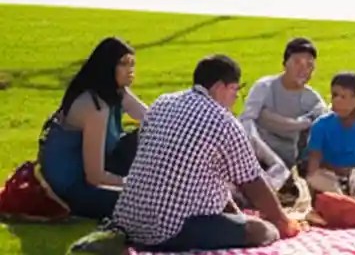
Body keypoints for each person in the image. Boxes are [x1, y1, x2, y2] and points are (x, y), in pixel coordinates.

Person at [111, 55, 301, 251]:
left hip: (128, 221)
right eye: (235, 89)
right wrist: (282, 221)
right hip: (168, 229)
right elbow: (252, 182)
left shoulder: (162, 103)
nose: (236, 97)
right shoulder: (222, 121)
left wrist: (236, 215)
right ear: (219, 87)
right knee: (263, 231)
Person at [37, 37, 147, 220]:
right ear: (107, 67)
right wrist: (134, 184)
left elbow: (152, 119)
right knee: (146, 203)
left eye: (132, 64)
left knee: (147, 134)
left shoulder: (116, 92)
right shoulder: (95, 107)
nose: (130, 70)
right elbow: (95, 177)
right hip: (74, 186)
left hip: (100, 165)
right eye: (123, 64)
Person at [240, 38, 326, 176]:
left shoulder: (313, 101)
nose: (303, 69)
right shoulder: (264, 87)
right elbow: (245, 122)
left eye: (309, 65)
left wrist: (269, 118)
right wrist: (271, 160)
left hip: (290, 164)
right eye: (297, 62)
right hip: (254, 158)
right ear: (285, 63)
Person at [305, 73, 355, 197]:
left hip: (353, 173)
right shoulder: (321, 125)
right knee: (317, 180)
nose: (336, 100)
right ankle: (342, 198)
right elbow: (314, 161)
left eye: (343, 96)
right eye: (334, 95)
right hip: (327, 173)